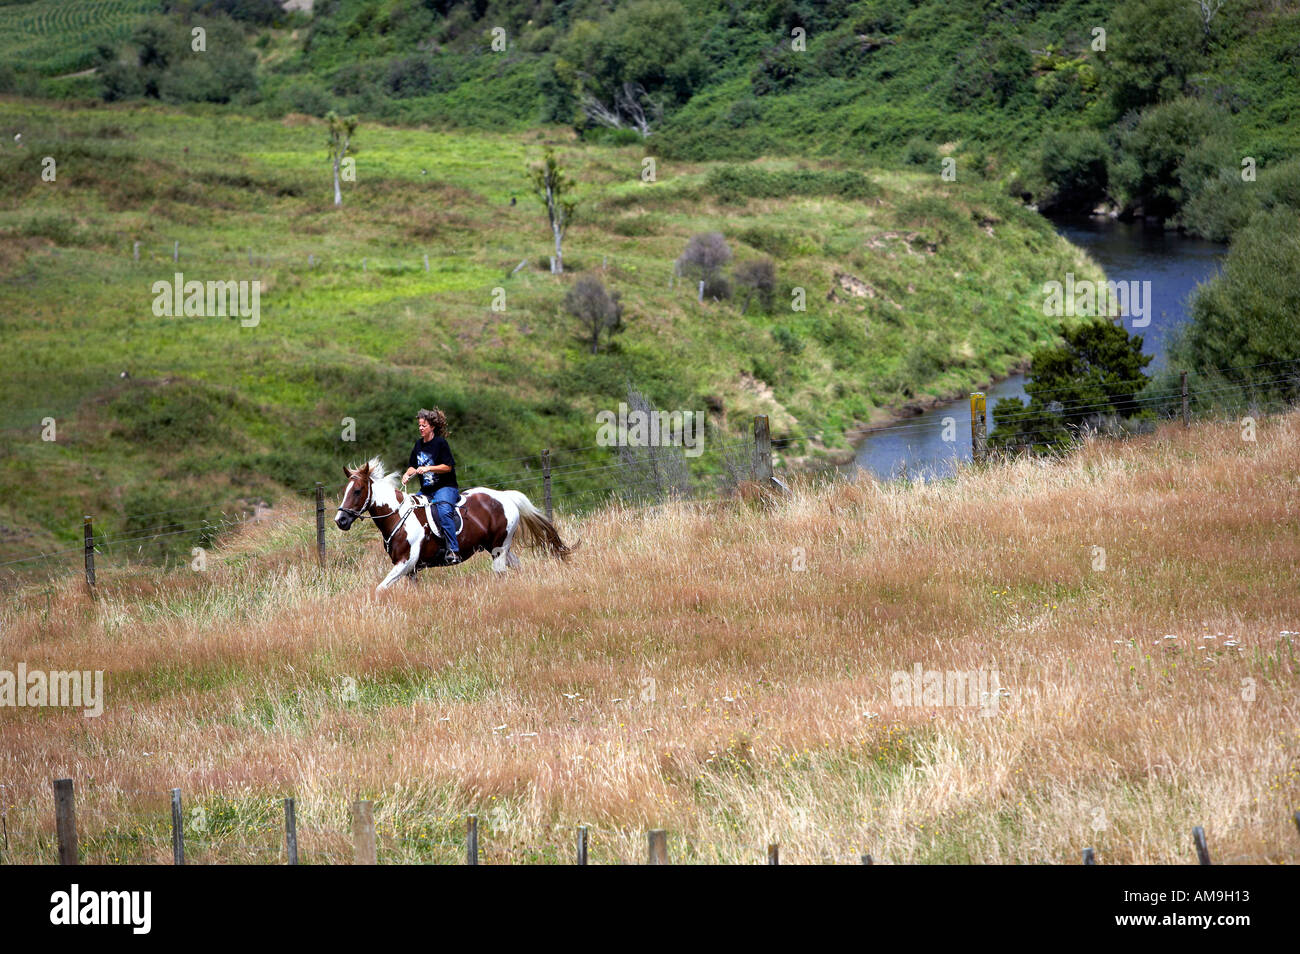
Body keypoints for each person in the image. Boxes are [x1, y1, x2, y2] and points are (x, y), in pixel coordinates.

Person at [402, 408, 461, 565]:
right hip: (426, 490)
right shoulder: (418, 445)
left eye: (424, 425)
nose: (421, 428)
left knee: (444, 512)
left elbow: (447, 467)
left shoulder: (440, 443)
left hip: (445, 487)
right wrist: (407, 474)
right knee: (409, 509)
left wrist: (429, 468)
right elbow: (413, 466)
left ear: (432, 427)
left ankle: (453, 550)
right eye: (419, 425)